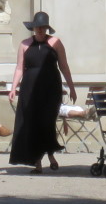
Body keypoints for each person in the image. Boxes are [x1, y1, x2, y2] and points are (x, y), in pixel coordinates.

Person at [7, 12, 77, 173]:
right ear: (33, 28)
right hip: (30, 88)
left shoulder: (55, 43)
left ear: (46, 28)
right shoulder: (24, 44)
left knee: (47, 121)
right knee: (32, 123)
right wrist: (13, 88)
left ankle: (51, 155)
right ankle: (37, 162)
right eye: (37, 27)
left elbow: (64, 66)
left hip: (50, 87)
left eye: (43, 27)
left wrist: (72, 87)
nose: (40, 30)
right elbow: (19, 68)